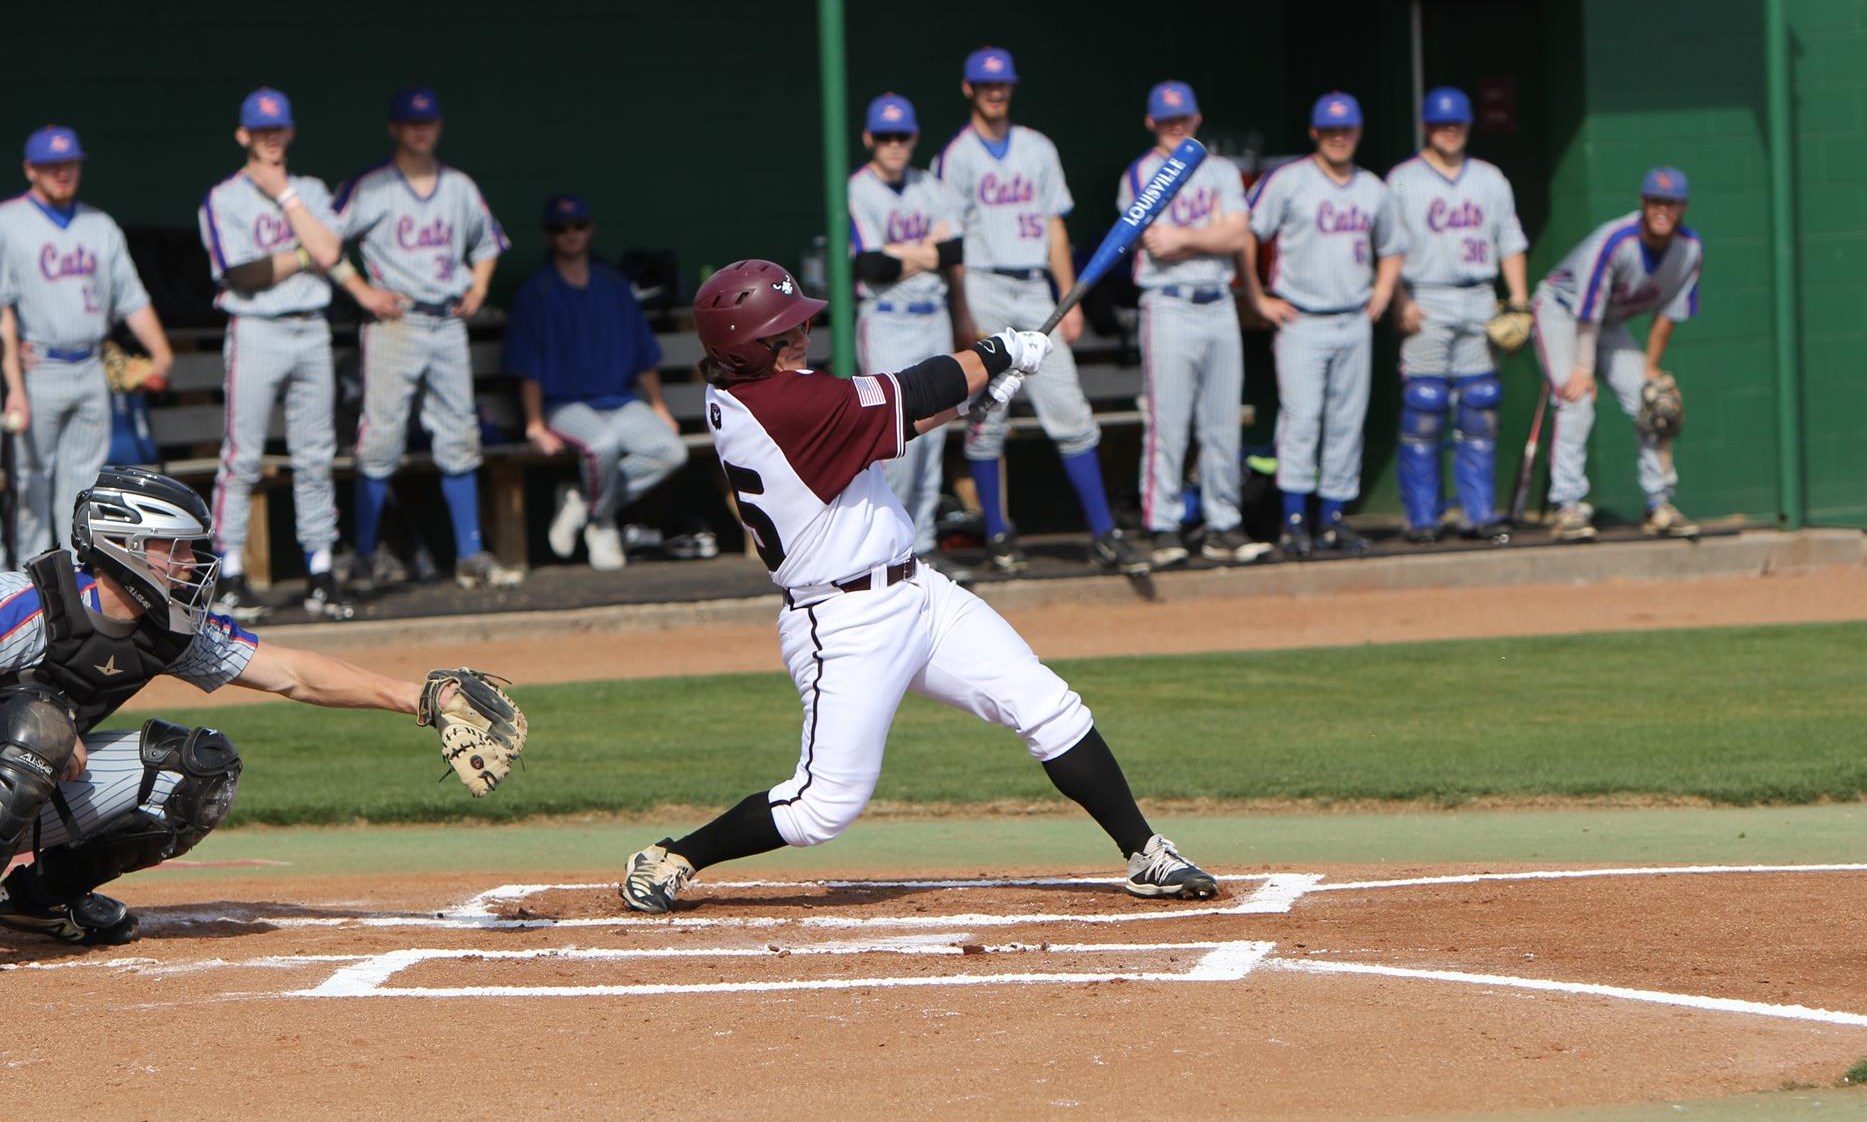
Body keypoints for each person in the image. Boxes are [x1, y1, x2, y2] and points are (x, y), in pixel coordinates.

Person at [616, 260, 1218, 914]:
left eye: (799, 323)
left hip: (919, 593)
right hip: (841, 621)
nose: (801, 335)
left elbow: (881, 425)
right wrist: (997, 351)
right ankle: (675, 857)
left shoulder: (766, 393)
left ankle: (1145, 852)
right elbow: (908, 389)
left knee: (1044, 703)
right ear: (741, 347)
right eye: (781, 331)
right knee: (823, 807)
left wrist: (971, 398)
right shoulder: (782, 405)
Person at [0, 467, 524, 946]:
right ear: (125, 546)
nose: (190, 564)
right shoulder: (31, 603)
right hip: (18, 759)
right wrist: (45, 719)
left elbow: (290, 674)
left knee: (197, 771)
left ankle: (34, 903)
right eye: (176, 549)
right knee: (38, 727)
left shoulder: (167, 629)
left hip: (23, 784)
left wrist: (423, 697)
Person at [933, 47, 1150, 577]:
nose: (995, 90)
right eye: (985, 83)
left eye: (1002, 82)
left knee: (1071, 414)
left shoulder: (1037, 148)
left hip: (1035, 288)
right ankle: (999, 534)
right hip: (983, 284)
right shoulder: (955, 156)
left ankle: (1103, 533)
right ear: (968, 89)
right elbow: (952, 243)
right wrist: (962, 312)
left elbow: (1056, 227)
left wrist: (1067, 296)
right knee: (988, 420)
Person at [329, 86, 520, 591]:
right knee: (381, 437)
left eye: (428, 121)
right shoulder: (371, 187)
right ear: (394, 127)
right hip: (396, 322)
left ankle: (471, 554)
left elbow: (488, 241)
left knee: (459, 433)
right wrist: (360, 290)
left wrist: (479, 285)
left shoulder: (457, 186)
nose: (420, 129)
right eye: (411, 122)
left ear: (438, 126)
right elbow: (323, 241)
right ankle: (366, 556)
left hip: (446, 321)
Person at [197, 87, 353, 622]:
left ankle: (321, 568)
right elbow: (244, 274)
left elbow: (331, 254)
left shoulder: (306, 189)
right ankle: (230, 571)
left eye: (278, 128)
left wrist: (288, 199)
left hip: (311, 327)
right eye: (260, 129)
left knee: (315, 456)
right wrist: (302, 252)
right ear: (243, 135)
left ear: (289, 132)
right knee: (241, 457)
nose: (270, 136)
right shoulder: (224, 196)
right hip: (256, 328)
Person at [0, 126, 174, 557]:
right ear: (30, 170)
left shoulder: (100, 226)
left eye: (70, 163)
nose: (62, 171)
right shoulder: (8, 221)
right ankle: (24, 590)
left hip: (90, 366)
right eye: (51, 165)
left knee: (84, 490)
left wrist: (161, 353)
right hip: (37, 368)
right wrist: (15, 388)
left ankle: (73, 591)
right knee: (29, 488)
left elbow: (131, 300)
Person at [1246, 92, 1405, 559]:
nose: (1339, 138)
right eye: (1330, 131)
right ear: (1315, 133)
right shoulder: (1290, 180)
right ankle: (1294, 521)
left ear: (1357, 133)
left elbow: (1393, 246)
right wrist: (1257, 297)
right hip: (1301, 317)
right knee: (1302, 419)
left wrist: (1382, 290)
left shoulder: (1373, 188)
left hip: (1352, 318)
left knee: (1345, 422)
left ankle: (1333, 518)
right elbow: (1246, 235)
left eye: (1347, 130)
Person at [1120, 81, 1265, 569]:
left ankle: (1224, 524)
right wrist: (1211, 235)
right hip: (1168, 304)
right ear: (1151, 122)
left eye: (1182, 116)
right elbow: (1150, 243)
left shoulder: (1222, 169)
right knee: (1169, 423)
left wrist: (1184, 236)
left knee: (1223, 421)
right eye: (1166, 118)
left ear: (1197, 118)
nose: (1175, 124)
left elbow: (1238, 233)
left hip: (1218, 301)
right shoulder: (1140, 172)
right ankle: (1163, 525)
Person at [504, 195, 687, 571]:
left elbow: (643, 354)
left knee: (671, 451)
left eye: (577, 226)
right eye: (560, 228)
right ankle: (602, 524)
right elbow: (528, 366)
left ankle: (580, 500)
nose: (570, 234)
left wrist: (659, 407)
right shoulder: (536, 293)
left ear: (590, 229)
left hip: (618, 401)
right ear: (548, 235)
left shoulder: (613, 285)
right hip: (563, 405)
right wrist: (535, 423)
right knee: (602, 445)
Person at [1385, 87, 1530, 544]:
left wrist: (1519, 300)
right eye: (1441, 124)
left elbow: (1510, 241)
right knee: (1424, 407)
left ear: (1468, 127)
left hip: (1479, 297)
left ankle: (1477, 513)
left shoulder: (1490, 178)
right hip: (1426, 296)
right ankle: (1423, 518)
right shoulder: (1403, 179)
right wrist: (1399, 301)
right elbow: (1389, 249)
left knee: (1479, 407)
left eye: (1458, 124)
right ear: (1426, 127)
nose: (1450, 131)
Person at [1530, 168, 1703, 541]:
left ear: (1683, 207)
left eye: (1671, 203)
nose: (1663, 210)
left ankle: (1658, 503)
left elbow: (1668, 316)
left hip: (1606, 321)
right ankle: (1568, 506)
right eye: (1656, 201)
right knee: (1576, 398)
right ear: (1642, 204)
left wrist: (1651, 369)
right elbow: (1587, 310)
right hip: (1562, 308)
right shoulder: (1615, 241)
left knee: (1655, 401)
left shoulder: (1689, 249)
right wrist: (1582, 369)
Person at [848, 92, 975, 582]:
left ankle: (921, 545)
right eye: (885, 136)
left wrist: (908, 253)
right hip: (885, 317)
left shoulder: (931, 185)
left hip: (933, 317)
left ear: (915, 138)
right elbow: (871, 265)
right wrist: (929, 249)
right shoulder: (857, 188)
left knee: (935, 436)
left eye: (902, 135)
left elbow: (957, 250)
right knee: (897, 435)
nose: (894, 144)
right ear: (869, 139)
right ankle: (892, 548)